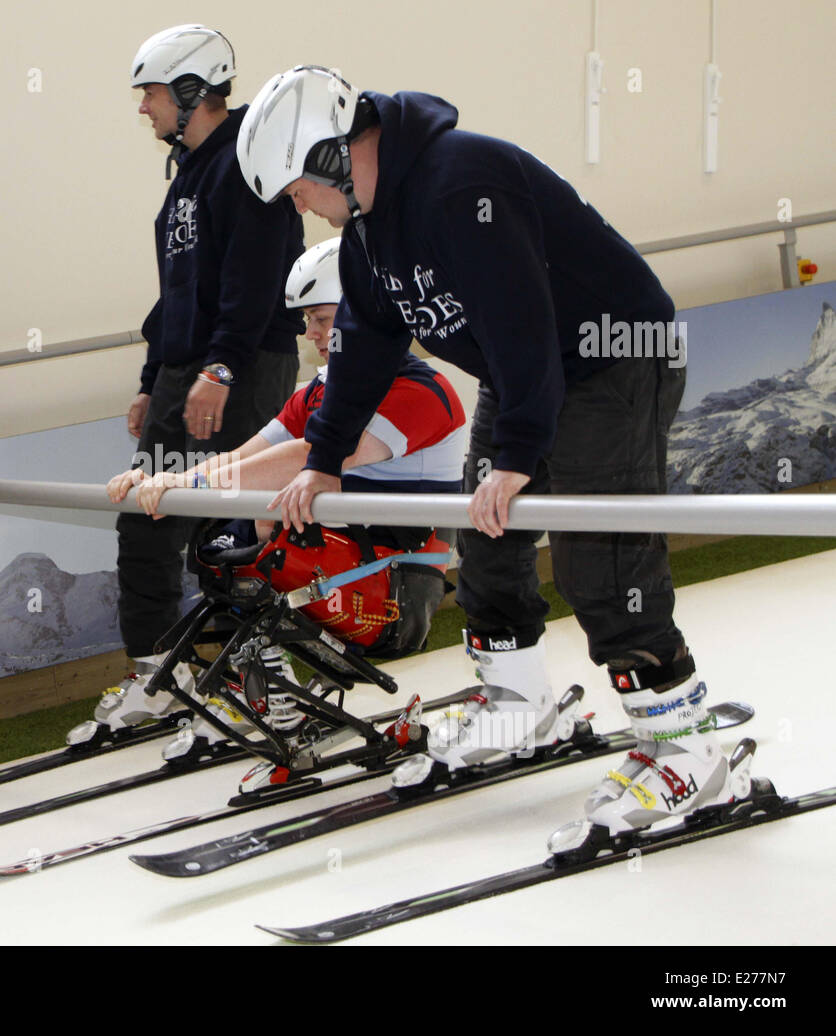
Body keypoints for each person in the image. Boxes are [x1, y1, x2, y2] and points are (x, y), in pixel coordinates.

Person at [236, 66, 722, 835]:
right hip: (523, 370)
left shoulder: (461, 182)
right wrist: (321, 457)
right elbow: (364, 348)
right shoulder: (366, 236)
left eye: (295, 186)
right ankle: (520, 706)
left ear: (331, 155)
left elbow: (521, 315)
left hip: (614, 357)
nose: (297, 205)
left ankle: (689, 747)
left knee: (602, 554)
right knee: (488, 544)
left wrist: (521, 452)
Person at [109, 236, 466, 762]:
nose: (311, 334)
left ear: (366, 309)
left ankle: (269, 688)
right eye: (307, 321)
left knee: (259, 524)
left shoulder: (420, 389)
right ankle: (267, 687)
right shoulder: (322, 390)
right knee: (230, 532)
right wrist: (160, 477)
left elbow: (312, 455)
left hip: (397, 586)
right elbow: (243, 456)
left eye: (321, 318)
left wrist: (187, 485)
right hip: (343, 561)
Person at [95, 25, 306, 732]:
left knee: (236, 529)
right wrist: (154, 378)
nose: (142, 108)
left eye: (150, 92)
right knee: (148, 522)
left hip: (239, 366)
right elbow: (177, 292)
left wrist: (220, 367)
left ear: (190, 91)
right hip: (190, 372)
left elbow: (256, 280)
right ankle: (160, 679)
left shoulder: (245, 165)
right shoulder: (186, 177)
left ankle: (268, 679)